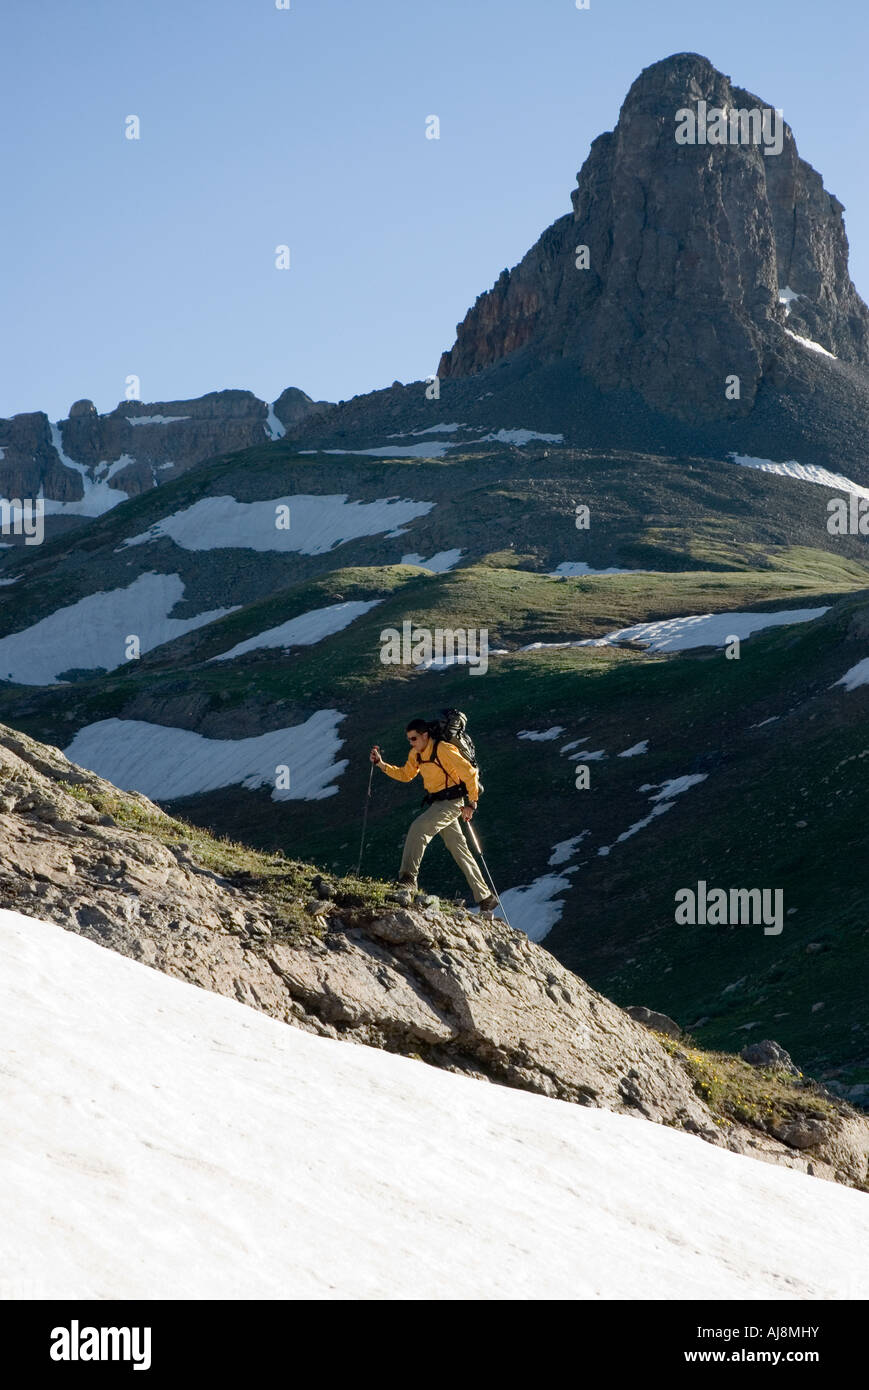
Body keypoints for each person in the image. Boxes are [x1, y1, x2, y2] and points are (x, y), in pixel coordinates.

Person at [370, 719, 498, 910]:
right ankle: (486, 897)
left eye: (414, 738)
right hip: (439, 803)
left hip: (453, 803)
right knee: (459, 849)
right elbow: (406, 775)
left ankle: (408, 879)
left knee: (419, 828)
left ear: (425, 735)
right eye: (409, 739)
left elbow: (470, 773)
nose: (411, 743)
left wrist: (472, 803)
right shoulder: (417, 753)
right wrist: (381, 764)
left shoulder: (444, 749)